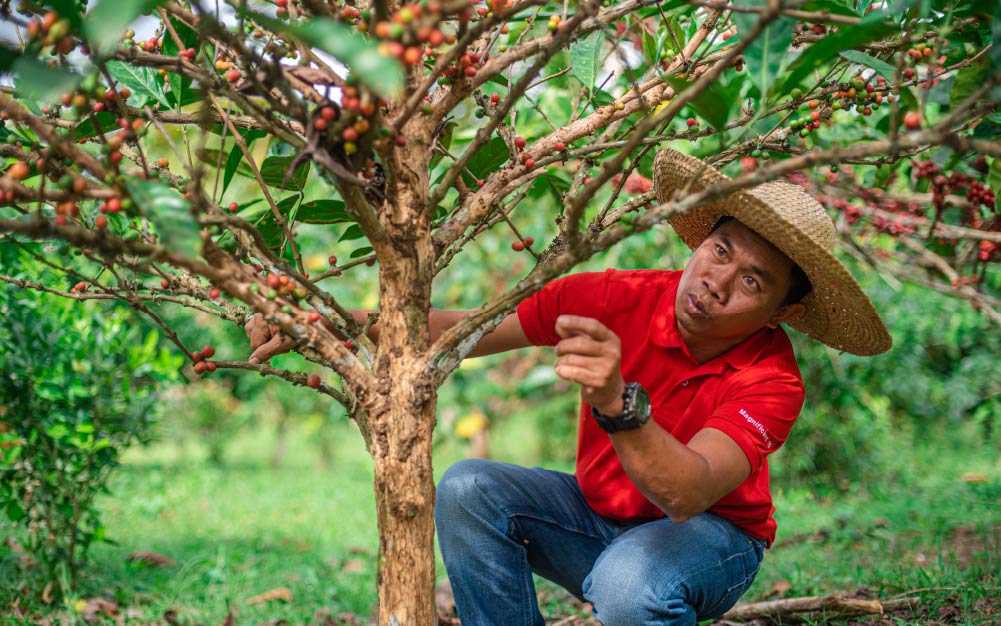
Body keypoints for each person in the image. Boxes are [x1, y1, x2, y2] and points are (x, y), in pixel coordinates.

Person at [245, 149, 891, 625]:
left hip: (710, 539)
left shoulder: (771, 378)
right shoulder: (617, 296)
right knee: (468, 490)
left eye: (752, 282)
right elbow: (462, 332)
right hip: (597, 519)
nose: (716, 282)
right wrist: (325, 323)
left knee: (627, 584)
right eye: (720, 251)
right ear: (702, 241)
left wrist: (617, 402)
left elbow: (687, 491)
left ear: (780, 312)